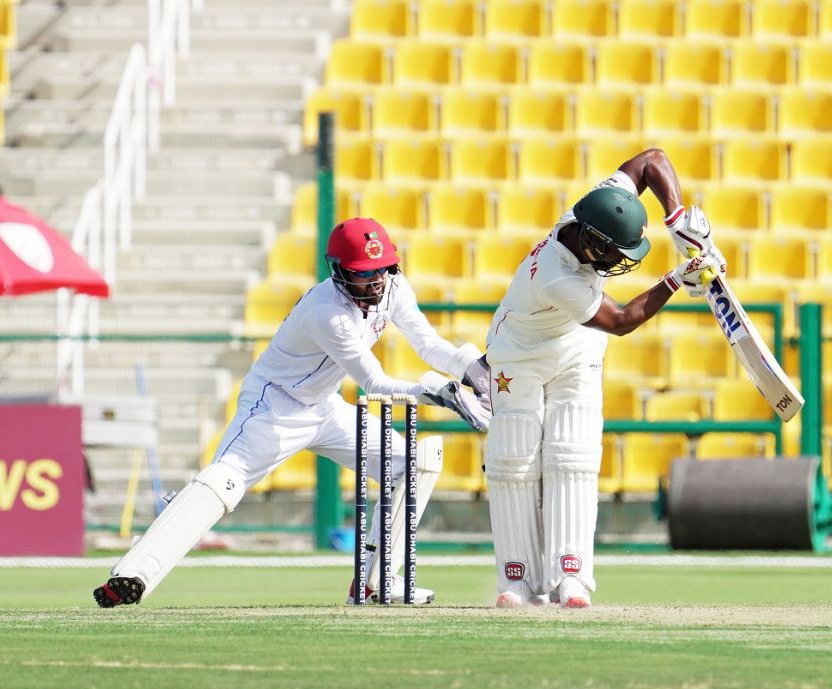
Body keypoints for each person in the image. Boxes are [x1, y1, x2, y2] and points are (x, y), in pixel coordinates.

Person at [94, 217, 491, 608]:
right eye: (362, 274)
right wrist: (439, 392)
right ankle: (132, 573)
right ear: (338, 273)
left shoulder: (393, 287)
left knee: (414, 463)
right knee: (223, 484)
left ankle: (375, 581)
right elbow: (375, 384)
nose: (375, 282)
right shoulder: (327, 312)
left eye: (381, 270)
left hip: (325, 406)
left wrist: (471, 370)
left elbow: (427, 343)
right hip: (274, 406)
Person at [484, 148, 724, 609]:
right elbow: (621, 320)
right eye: (618, 251)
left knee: (572, 455)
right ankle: (516, 580)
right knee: (515, 460)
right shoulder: (556, 275)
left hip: (577, 345)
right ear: (593, 243)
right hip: (518, 355)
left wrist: (676, 219)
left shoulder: (598, 204)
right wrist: (677, 279)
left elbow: (651, 160)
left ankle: (570, 576)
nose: (624, 259)